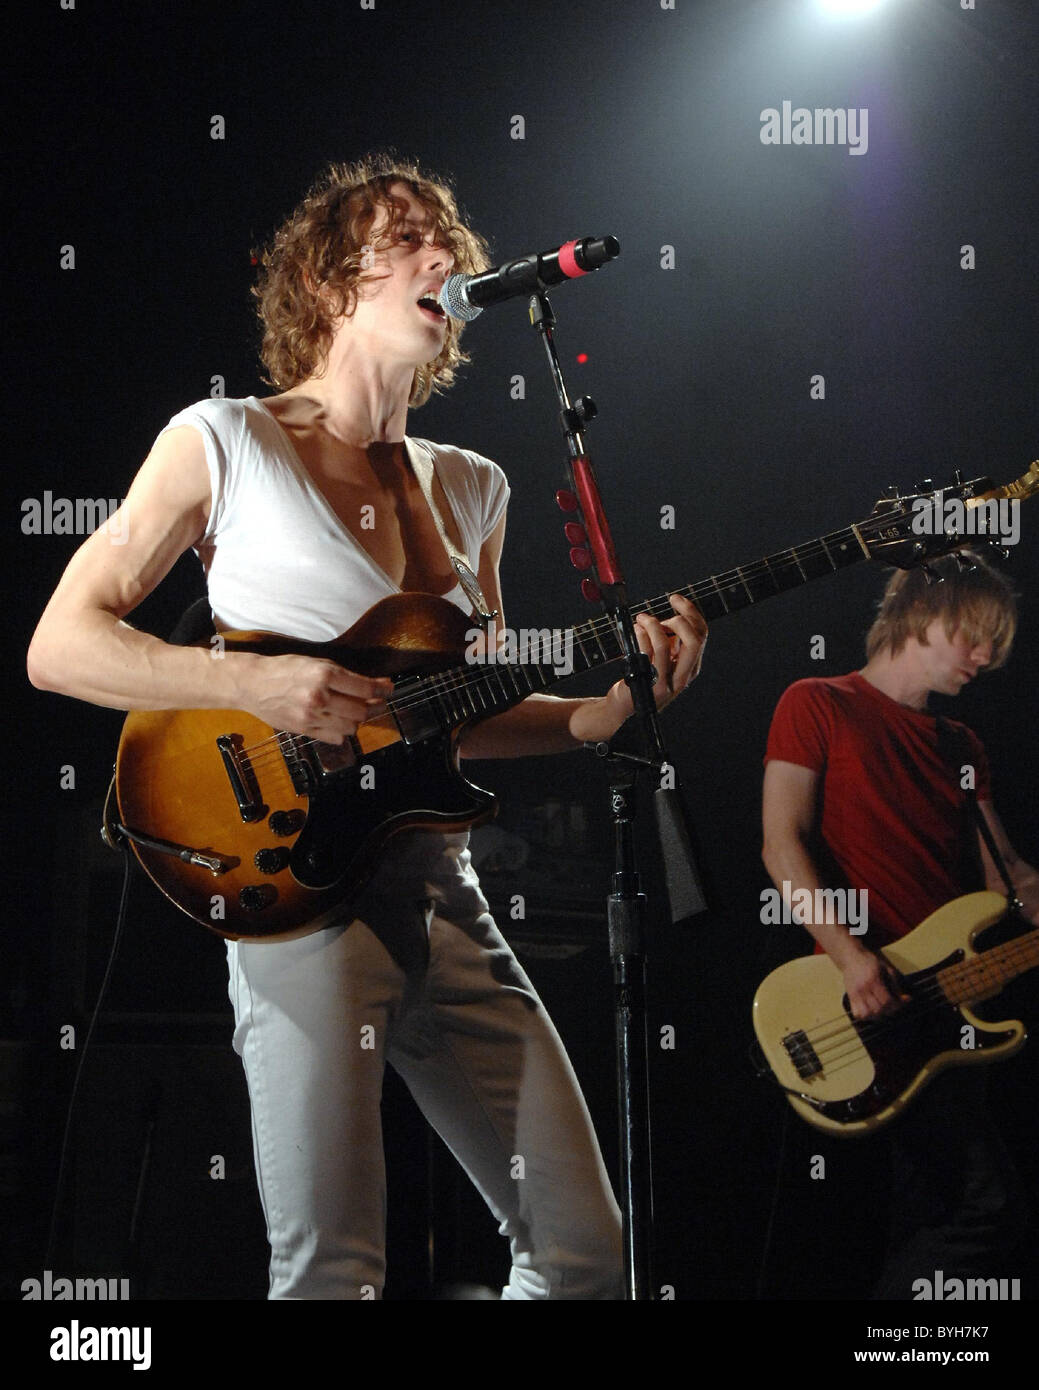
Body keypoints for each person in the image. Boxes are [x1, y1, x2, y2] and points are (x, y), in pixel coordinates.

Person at [27, 155, 706, 1300]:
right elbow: (60, 646)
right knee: (334, 1270)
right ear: (332, 283)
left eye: (447, 238)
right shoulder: (224, 437)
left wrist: (604, 711)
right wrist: (248, 686)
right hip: (299, 899)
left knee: (585, 1252)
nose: (441, 256)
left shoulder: (473, 485)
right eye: (404, 240)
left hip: (445, 894)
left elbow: (446, 725)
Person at [761, 550, 1037, 1298]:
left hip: (950, 1005)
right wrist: (851, 959)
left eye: (993, 644)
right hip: (861, 1002)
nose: (984, 658)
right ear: (921, 611)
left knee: (931, 1209)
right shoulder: (816, 701)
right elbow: (780, 844)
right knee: (981, 1206)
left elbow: (1003, 877)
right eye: (971, 636)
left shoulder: (960, 744)